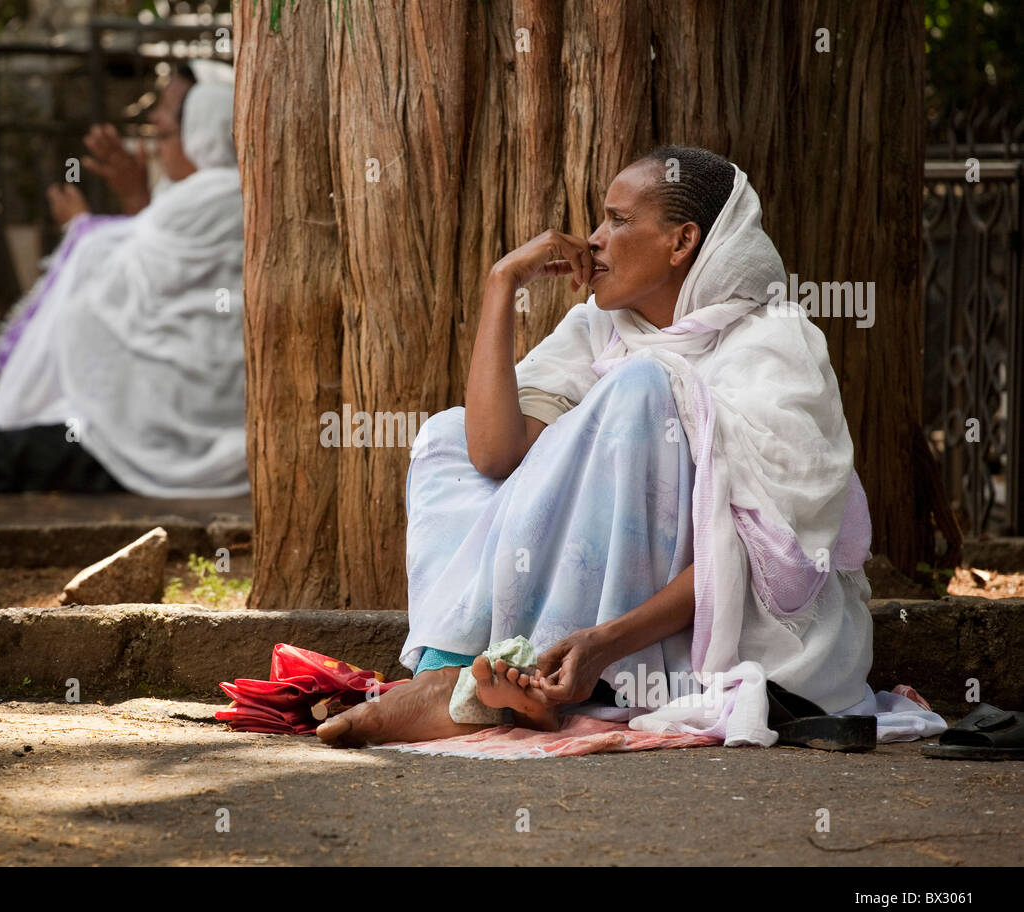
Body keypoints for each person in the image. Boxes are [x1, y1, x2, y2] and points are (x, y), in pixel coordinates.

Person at [318, 145, 945, 748]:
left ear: (682, 242)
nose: (593, 238)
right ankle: (481, 674)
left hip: (709, 637)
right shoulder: (601, 328)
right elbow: (492, 456)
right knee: (448, 437)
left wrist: (603, 642)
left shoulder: (775, 346)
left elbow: (763, 555)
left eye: (618, 221)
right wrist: (501, 283)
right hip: (591, 643)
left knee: (642, 386)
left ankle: (482, 686)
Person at [0, 60, 247, 498]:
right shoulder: (217, 195)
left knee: (14, 449)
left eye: (169, 124)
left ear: (202, 130)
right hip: (201, 414)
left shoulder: (202, 198)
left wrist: (83, 231)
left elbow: (115, 276)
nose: (156, 126)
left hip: (171, 416)